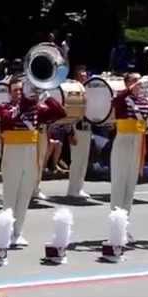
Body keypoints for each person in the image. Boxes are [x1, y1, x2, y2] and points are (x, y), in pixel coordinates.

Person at [0, 79, 65, 246]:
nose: (19, 93)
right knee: (10, 194)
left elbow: (60, 113)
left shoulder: (36, 108)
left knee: (24, 195)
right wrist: (26, 102)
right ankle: (5, 231)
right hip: (12, 152)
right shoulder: (4, 107)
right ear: (9, 93)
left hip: (30, 152)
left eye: (21, 90)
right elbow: (7, 120)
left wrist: (46, 96)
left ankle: (17, 232)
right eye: (15, 90)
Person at [109, 73, 148, 238]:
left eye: (138, 80)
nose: (138, 84)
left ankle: (124, 225)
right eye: (134, 81)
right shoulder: (122, 97)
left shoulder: (144, 102)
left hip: (138, 142)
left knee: (130, 186)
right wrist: (132, 88)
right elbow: (116, 103)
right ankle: (115, 226)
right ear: (127, 83)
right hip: (123, 141)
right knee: (119, 185)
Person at [65, 68, 92, 199]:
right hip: (77, 128)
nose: (84, 78)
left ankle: (79, 187)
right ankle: (72, 189)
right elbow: (69, 112)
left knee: (83, 160)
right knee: (76, 160)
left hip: (87, 128)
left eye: (85, 76)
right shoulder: (73, 91)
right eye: (81, 76)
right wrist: (70, 132)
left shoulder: (88, 91)